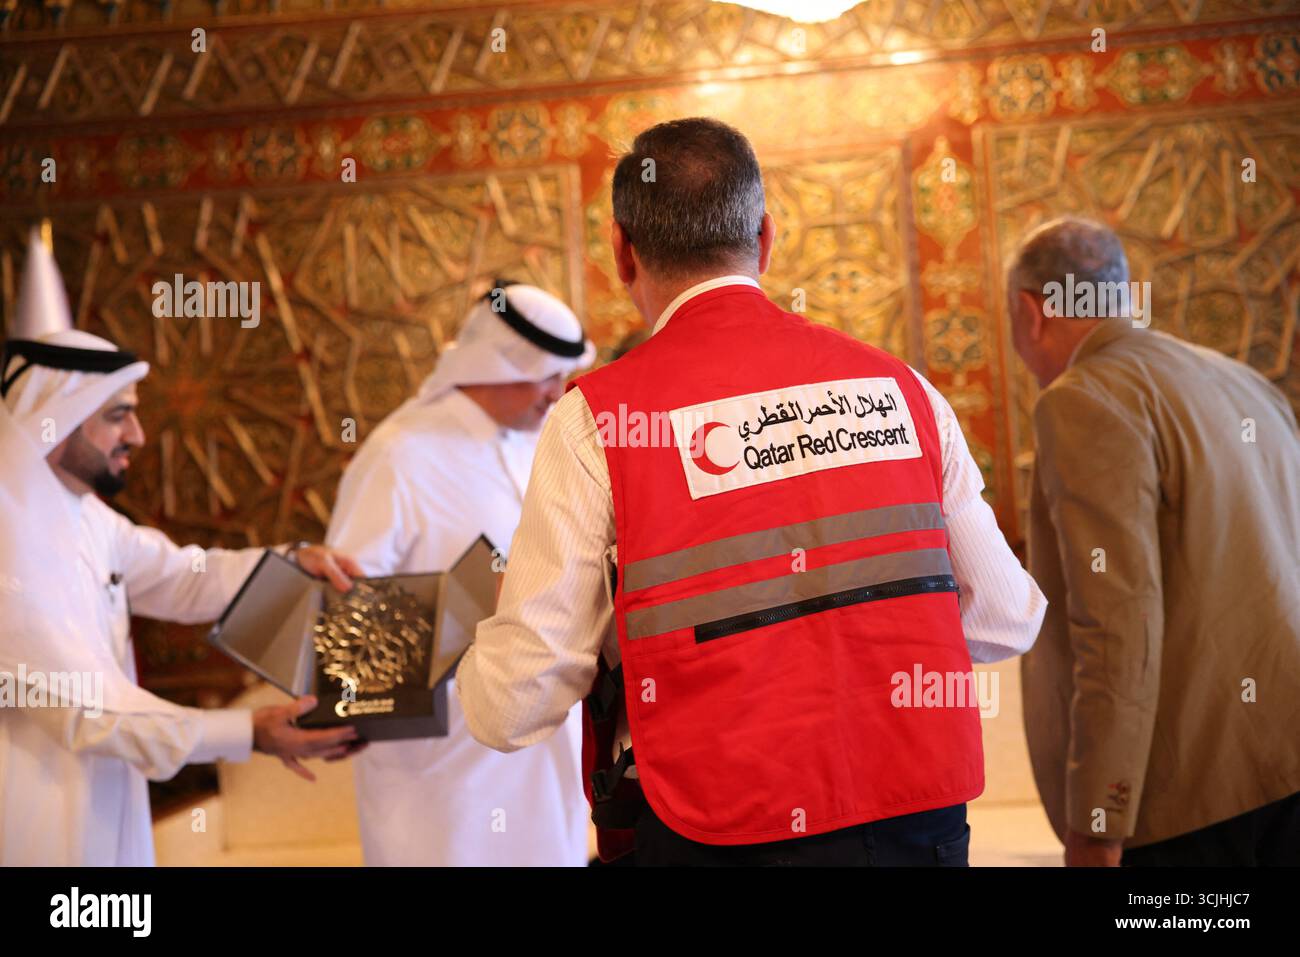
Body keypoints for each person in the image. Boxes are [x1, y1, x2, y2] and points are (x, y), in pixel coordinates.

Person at [455, 117, 1046, 866]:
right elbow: (1005, 616)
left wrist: (481, 643)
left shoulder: (596, 422)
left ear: (621, 251)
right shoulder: (905, 391)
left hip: (718, 829)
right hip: (917, 819)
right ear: (767, 237)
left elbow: (514, 703)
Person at [0, 229, 364, 866]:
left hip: (103, 802)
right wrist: (245, 732)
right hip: (34, 818)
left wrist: (290, 561)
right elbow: (87, 711)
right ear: (52, 416)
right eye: (117, 414)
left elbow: (184, 577)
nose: (137, 434)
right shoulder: (9, 539)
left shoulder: (84, 514)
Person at [1008, 215, 1300, 866]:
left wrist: (1096, 820)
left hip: (1191, 803)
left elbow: (1115, 624)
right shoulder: (1243, 381)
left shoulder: (1084, 397)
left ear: (1030, 313)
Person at [327, 280, 595, 866]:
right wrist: (476, 597)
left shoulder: (539, 442)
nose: (557, 394)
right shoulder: (400, 454)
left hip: (544, 753)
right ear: (493, 364)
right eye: (546, 376)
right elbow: (341, 626)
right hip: (439, 774)